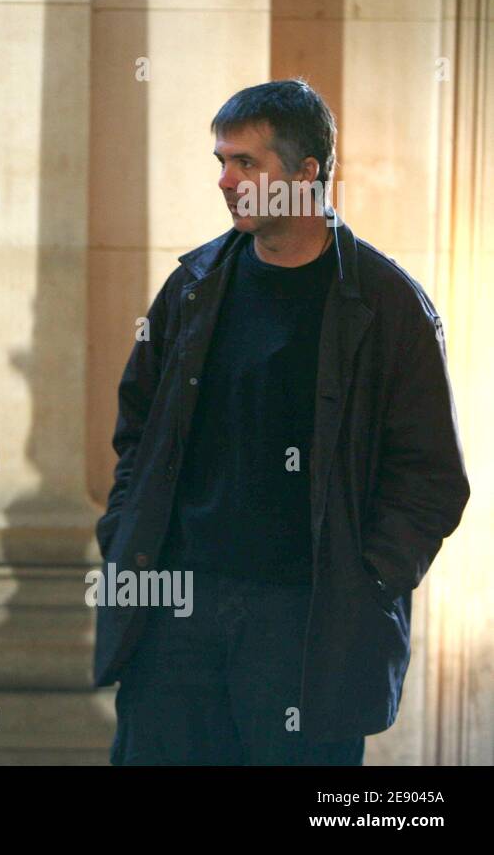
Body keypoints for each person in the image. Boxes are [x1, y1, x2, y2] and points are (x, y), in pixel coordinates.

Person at [94, 79, 470, 764]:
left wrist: (371, 576)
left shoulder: (386, 306)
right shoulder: (194, 285)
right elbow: (137, 429)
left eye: (246, 164)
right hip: (177, 609)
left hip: (306, 620)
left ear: (307, 173)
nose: (226, 180)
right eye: (221, 161)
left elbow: (432, 478)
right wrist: (122, 533)